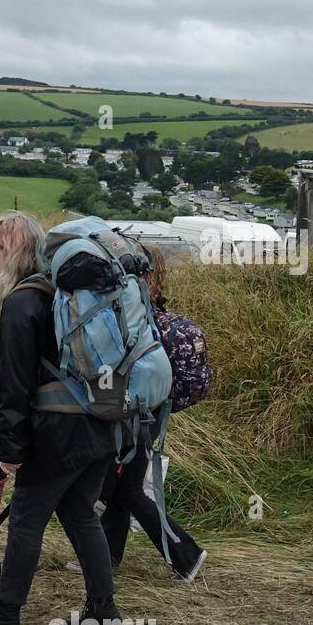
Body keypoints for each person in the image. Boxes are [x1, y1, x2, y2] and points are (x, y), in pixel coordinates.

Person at [0, 212, 123, 625]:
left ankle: (5, 613)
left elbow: (13, 385)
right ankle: (103, 611)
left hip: (57, 435)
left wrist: (11, 449)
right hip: (101, 423)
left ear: (11, 255)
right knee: (80, 513)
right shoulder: (63, 294)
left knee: (27, 519)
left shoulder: (21, 304)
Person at [86, 244, 208, 582]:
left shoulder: (132, 316)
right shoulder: (149, 312)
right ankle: (108, 554)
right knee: (121, 484)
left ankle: (187, 555)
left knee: (121, 489)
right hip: (151, 411)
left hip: (135, 415)